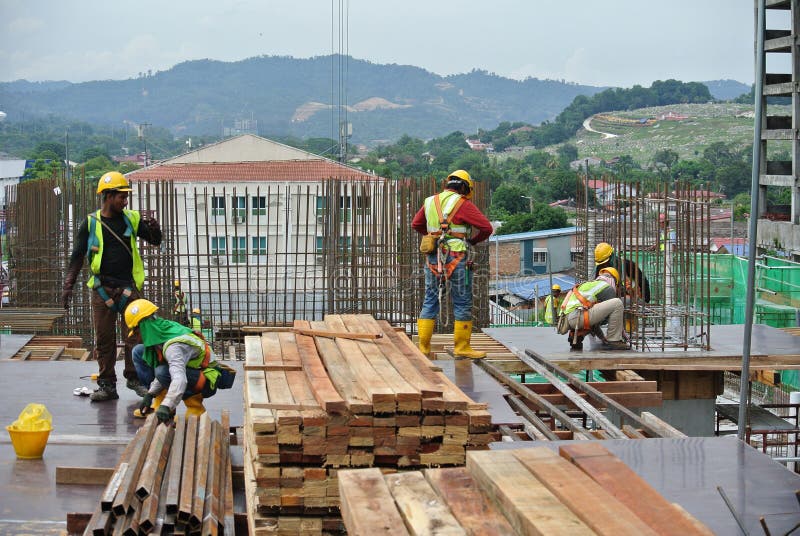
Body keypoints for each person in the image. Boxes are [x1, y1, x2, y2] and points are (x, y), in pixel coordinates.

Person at [61, 171, 162, 402]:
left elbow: (155, 240)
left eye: (126, 197)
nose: (125, 201)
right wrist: (68, 286)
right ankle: (107, 385)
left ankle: (134, 378)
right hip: (102, 288)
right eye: (121, 197)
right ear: (107, 196)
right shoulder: (90, 223)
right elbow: (77, 257)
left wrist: (155, 230)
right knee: (104, 339)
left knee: (135, 337)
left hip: (129, 288)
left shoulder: (132, 219)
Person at [412, 169, 493, 359]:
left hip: (433, 257)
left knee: (430, 299)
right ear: (464, 187)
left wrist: (433, 235)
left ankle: (423, 348)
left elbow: (416, 224)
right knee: (462, 301)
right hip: (457, 257)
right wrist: (472, 241)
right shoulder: (462, 203)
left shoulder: (430, 201)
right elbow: (486, 228)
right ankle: (462, 347)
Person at [125, 299, 227, 422]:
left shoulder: (173, 347)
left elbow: (179, 378)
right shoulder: (162, 331)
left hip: (206, 379)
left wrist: (167, 405)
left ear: (144, 326)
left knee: (162, 371)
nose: (138, 336)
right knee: (140, 352)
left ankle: (195, 409)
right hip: (191, 372)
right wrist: (151, 394)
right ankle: (161, 403)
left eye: (137, 331)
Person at [558, 267, 629, 351]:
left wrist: (602, 338)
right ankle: (614, 340)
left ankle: (576, 336)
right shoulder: (606, 287)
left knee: (596, 314)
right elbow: (610, 317)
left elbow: (595, 321)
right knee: (617, 303)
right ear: (614, 280)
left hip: (570, 319)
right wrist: (619, 336)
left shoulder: (591, 284)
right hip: (578, 316)